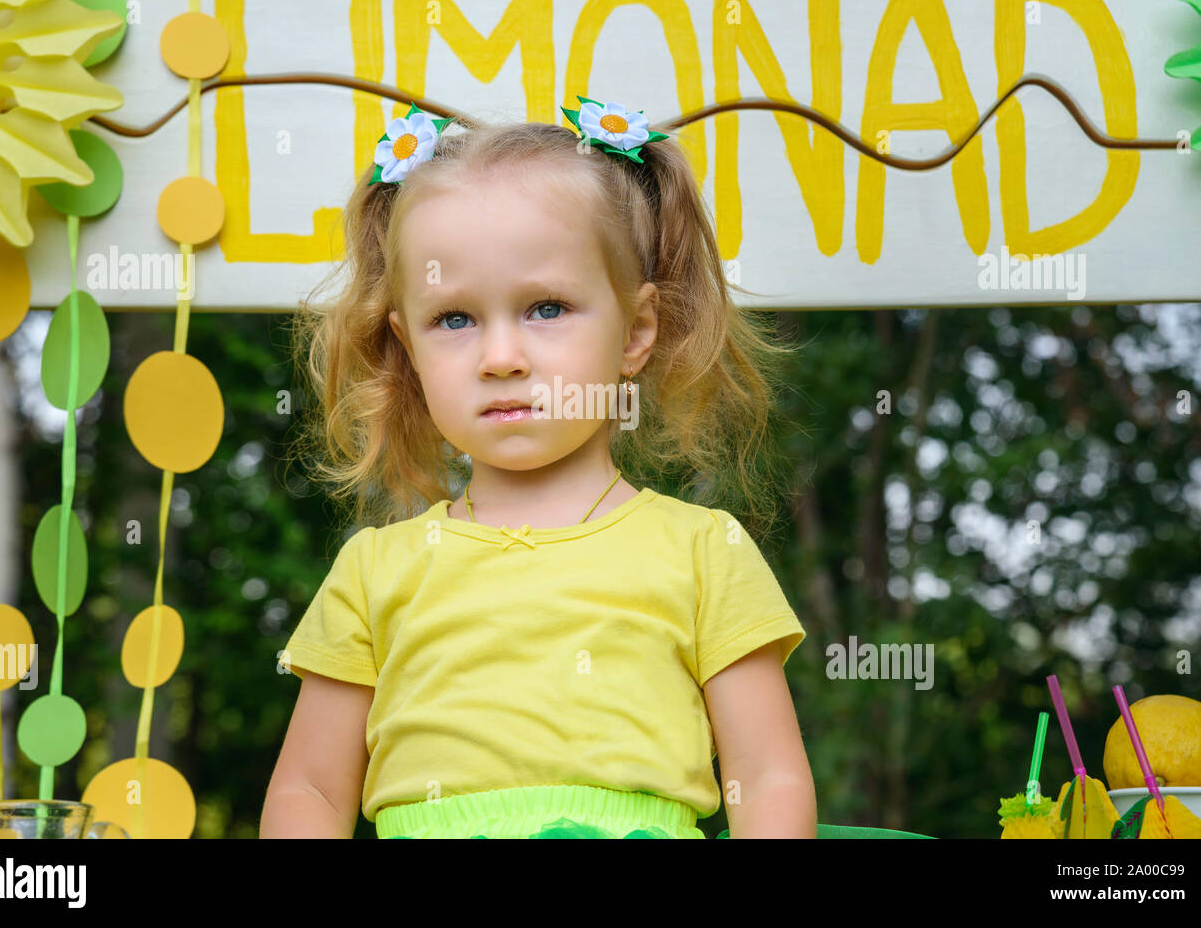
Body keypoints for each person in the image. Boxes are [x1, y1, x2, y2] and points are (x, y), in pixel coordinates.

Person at [260, 97, 816, 838]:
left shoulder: (702, 553)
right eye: (454, 319)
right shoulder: (372, 571)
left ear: (636, 329)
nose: (501, 358)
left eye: (547, 308)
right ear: (409, 345)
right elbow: (309, 794)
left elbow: (768, 778)